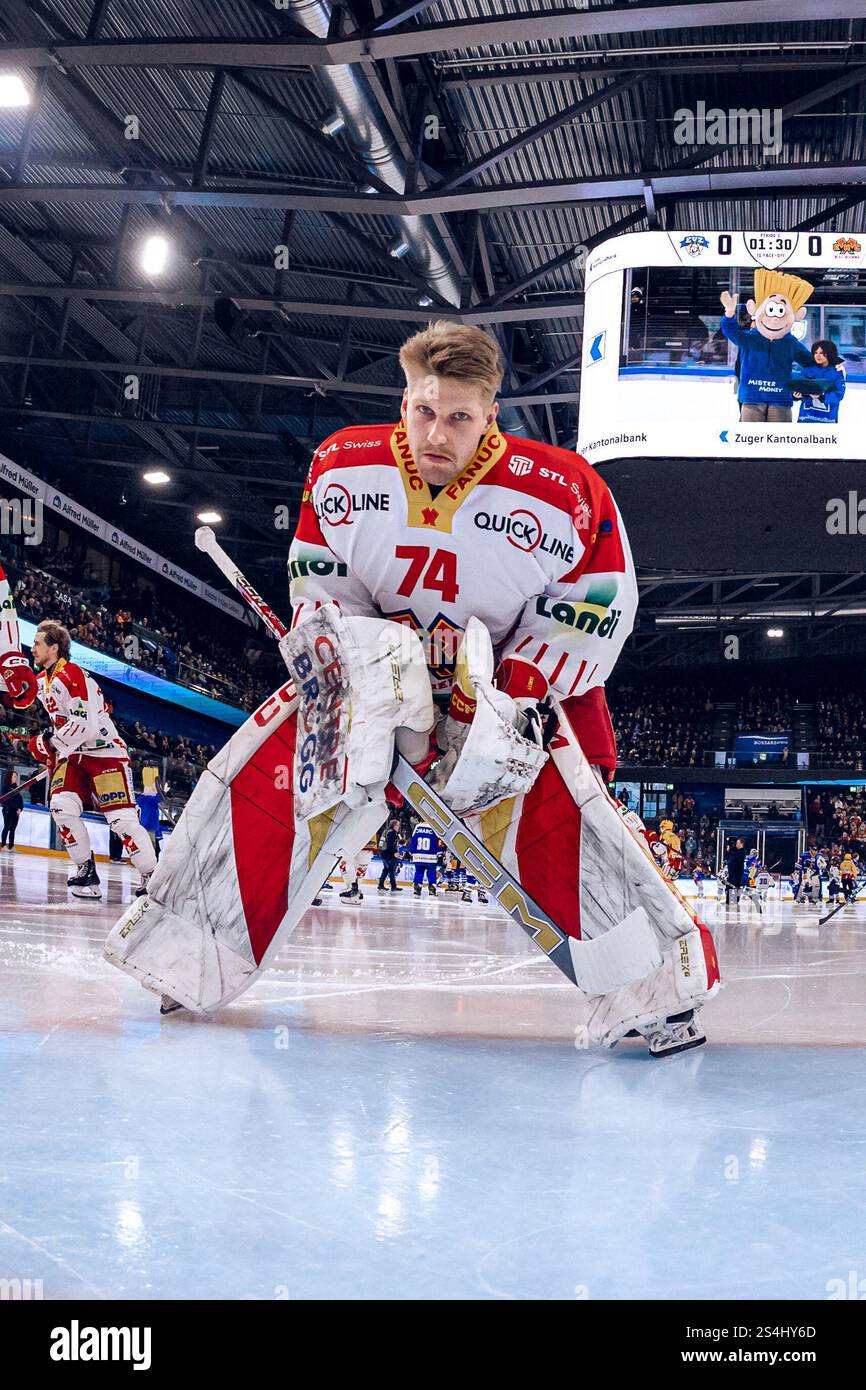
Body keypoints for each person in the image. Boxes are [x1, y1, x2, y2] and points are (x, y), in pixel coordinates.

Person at [108, 322, 719, 1054]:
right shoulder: (341, 467)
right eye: (423, 411)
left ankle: (655, 991)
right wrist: (360, 659)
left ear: (491, 414)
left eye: (459, 417)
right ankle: (182, 955)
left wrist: (507, 684)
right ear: (405, 401)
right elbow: (320, 587)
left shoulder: (564, 489)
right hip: (379, 675)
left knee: (568, 822)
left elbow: (598, 603)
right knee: (272, 774)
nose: (437, 433)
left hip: (500, 686)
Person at [28, 620, 157, 900]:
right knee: (61, 806)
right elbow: (21, 690)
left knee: (121, 820)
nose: (32, 648)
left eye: (38, 643)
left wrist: (49, 743)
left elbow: (83, 725)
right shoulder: (44, 680)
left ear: (55, 648)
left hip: (104, 752)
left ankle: (152, 875)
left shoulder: (72, 675)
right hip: (74, 754)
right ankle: (85, 869)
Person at [719, 270, 814, 422]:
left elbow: (811, 364)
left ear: (796, 316)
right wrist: (729, 314)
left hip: (781, 399)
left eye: (781, 312)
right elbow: (730, 331)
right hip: (752, 398)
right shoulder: (750, 339)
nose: (775, 318)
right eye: (770, 310)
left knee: (779, 440)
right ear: (754, 309)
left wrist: (832, 365)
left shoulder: (791, 343)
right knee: (751, 439)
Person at [792, 339, 846, 423]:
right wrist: (796, 395)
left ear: (830, 353)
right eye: (815, 353)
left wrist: (821, 396)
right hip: (806, 417)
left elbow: (839, 394)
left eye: (821, 353)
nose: (818, 356)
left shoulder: (837, 372)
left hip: (827, 419)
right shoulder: (807, 370)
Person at [410, 821, 440, 897]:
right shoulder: (434, 826)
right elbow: (437, 841)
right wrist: (439, 852)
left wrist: (411, 851)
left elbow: (413, 840)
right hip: (431, 856)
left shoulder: (418, 826)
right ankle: (432, 889)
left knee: (419, 872)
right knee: (431, 873)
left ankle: (417, 888)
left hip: (418, 855)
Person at [377, 819, 403, 892]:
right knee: (391, 870)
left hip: (383, 853)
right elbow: (390, 845)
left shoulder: (386, 831)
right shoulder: (391, 833)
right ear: (393, 826)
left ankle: (381, 884)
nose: (398, 827)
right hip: (388, 853)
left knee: (386, 869)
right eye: (397, 825)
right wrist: (394, 852)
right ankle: (393, 886)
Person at [0, 770, 23, 849]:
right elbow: (5, 800)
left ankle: (11, 846)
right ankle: (3, 845)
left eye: (16, 777)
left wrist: (20, 808)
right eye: (14, 776)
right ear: (10, 777)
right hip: (8, 810)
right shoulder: (5, 787)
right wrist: (14, 806)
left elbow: (20, 799)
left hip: (15, 811)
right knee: (7, 827)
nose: (16, 778)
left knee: (13, 829)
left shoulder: (17, 788)